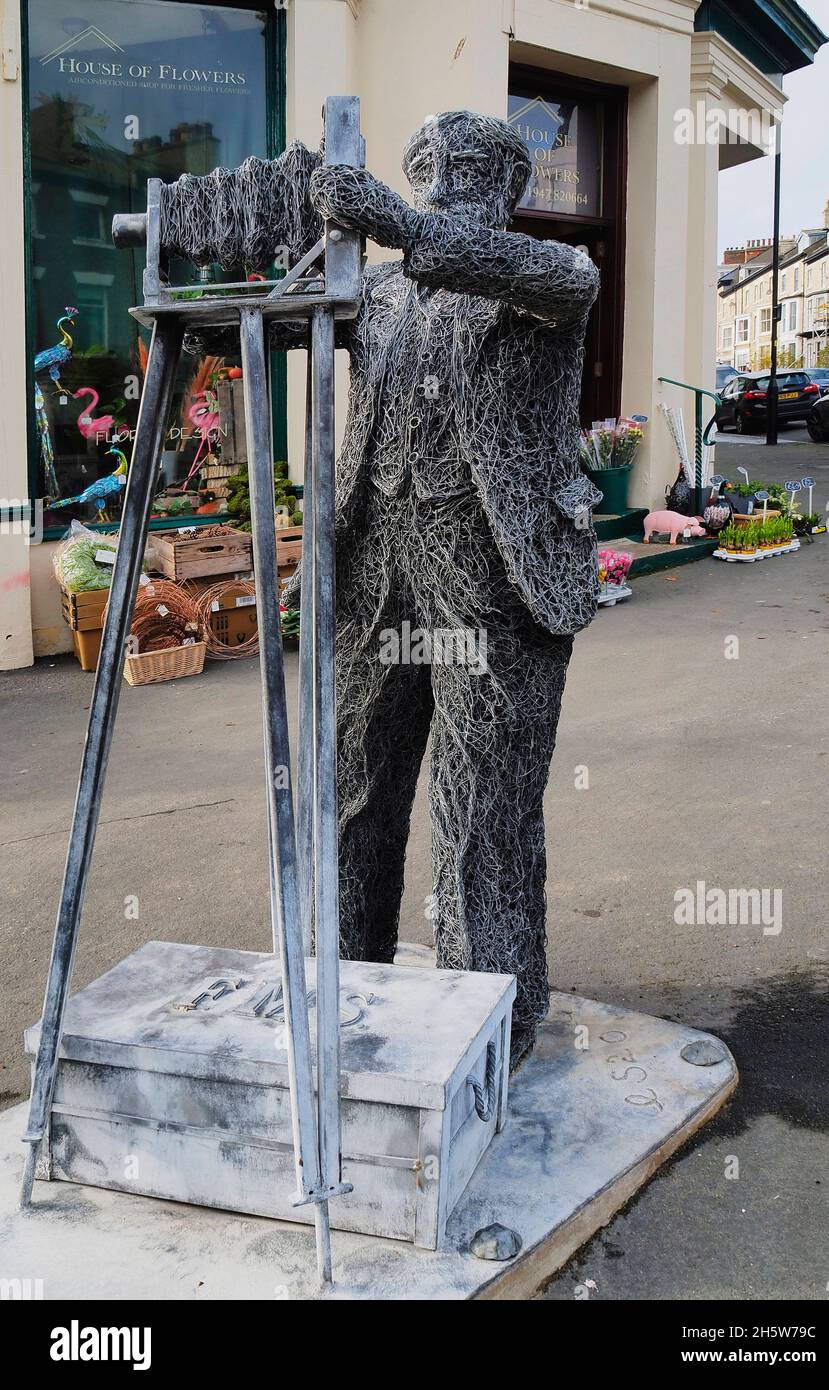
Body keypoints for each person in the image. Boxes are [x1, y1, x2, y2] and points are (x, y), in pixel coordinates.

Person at [307, 110, 601, 1068]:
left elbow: (465, 255)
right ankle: (343, 993)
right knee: (354, 785)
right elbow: (276, 315)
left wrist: (397, 220)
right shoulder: (377, 293)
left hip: (488, 578)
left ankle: (488, 1023)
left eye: (464, 171)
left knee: (479, 807)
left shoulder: (550, 277)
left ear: (508, 186)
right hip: (375, 559)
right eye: (425, 169)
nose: (441, 185)